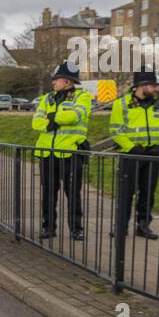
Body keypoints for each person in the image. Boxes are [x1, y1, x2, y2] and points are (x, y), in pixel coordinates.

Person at [109, 67, 159, 240]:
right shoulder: (121, 104)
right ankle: (121, 227)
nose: (157, 89)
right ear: (141, 85)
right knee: (126, 192)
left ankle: (143, 226)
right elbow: (116, 130)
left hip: (153, 155)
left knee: (148, 192)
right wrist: (131, 147)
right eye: (153, 85)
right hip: (130, 156)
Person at [32, 60, 92, 241]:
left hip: (70, 153)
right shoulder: (46, 98)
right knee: (48, 193)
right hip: (47, 154)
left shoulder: (82, 97)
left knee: (73, 193)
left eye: (56, 79)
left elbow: (75, 116)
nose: (53, 82)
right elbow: (36, 122)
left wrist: (50, 117)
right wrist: (57, 119)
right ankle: (48, 227)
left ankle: (76, 228)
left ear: (67, 81)